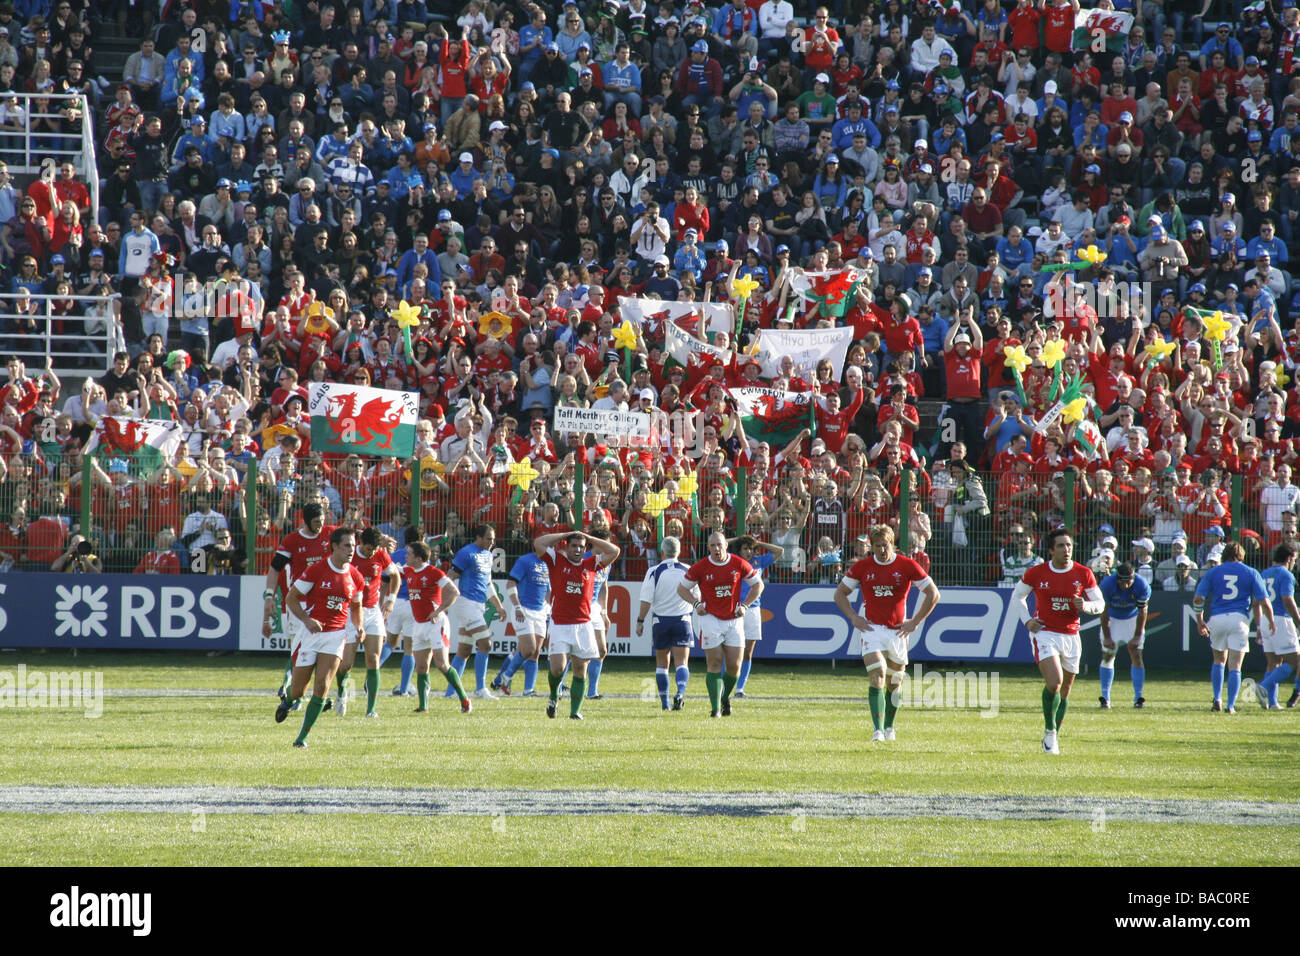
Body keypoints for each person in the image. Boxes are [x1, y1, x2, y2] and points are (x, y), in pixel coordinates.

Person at [833, 524, 940, 742]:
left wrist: (916, 621)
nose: (883, 550)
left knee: (894, 683)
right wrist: (854, 617)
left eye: (886, 545)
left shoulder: (907, 565)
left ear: (893, 544)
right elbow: (840, 594)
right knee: (878, 674)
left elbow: (933, 594)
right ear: (871, 547)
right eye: (878, 546)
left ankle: (890, 727)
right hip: (871, 629)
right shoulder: (862, 567)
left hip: (898, 632)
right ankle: (877, 731)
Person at [1013, 529, 1105, 755]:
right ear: (1051, 550)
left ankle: (1055, 732)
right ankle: (1049, 732)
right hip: (1045, 633)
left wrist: (1086, 606)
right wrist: (1027, 621)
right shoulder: (1037, 573)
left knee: (1065, 691)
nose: (1067, 550)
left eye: (1069, 545)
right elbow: (1017, 597)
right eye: (1061, 546)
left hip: (1072, 636)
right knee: (1054, 682)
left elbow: (1100, 603)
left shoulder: (1083, 573)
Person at [275, 528, 364, 748]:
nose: (351, 550)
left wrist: (359, 625)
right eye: (346, 545)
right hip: (311, 634)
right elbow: (291, 598)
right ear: (334, 546)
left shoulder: (356, 576)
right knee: (298, 691)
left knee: (322, 686)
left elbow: (356, 606)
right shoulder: (317, 570)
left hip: (335, 636)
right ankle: (288, 701)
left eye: (353, 546)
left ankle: (301, 738)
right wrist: (306, 619)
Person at [676, 531, 765, 718]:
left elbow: (758, 585)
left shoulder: (738, 563)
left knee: (734, 666)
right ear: (708, 547)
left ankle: (725, 698)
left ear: (726, 545)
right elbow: (682, 588)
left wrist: (746, 606)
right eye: (713, 545)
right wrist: (696, 604)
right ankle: (715, 709)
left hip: (734, 619)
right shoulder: (700, 567)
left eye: (719, 545)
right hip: (710, 619)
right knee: (714, 662)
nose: (717, 549)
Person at [534, 530, 622, 719]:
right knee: (557, 668)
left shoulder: (591, 564)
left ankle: (575, 712)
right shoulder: (557, 561)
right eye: (574, 545)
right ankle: (553, 696)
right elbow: (539, 543)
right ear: (567, 547)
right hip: (560, 624)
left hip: (583, 625)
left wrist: (589, 538)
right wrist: (564, 534)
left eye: (582, 546)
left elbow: (614, 551)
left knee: (580, 669)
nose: (578, 549)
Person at [263, 501, 336, 706]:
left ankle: (303, 691)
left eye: (322, 521)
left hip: (323, 602)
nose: (320, 525)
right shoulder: (292, 540)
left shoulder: (330, 534)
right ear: (306, 521)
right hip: (299, 603)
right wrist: (269, 596)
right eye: (316, 522)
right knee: (299, 649)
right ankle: (294, 693)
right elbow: (274, 568)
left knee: (319, 649)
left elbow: (353, 537)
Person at [1194, 540, 1274, 714]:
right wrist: (1271, 622)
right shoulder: (1251, 572)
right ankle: (1230, 705)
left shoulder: (1213, 572)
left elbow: (1198, 598)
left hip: (1217, 618)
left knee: (1218, 660)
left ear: (1224, 556)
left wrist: (1200, 620)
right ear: (1241, 556)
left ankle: (1217, 698)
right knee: (1235, 666)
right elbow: (1264, 602)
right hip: (1239, 620)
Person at [404, 541, 471, 714]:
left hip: (436, 624)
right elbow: (390, 571)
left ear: (419, 558)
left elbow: (454, 592)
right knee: (421, 667)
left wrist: (439, 610)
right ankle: (423, 706)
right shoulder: (408, 571)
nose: (406, 556)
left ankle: (464, 699)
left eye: (409, 553)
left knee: (442, 664)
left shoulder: (434, 572)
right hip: (419, 625)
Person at [340, 526, 400, 718]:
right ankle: (342, 696)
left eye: (375, 549)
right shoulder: (350, 556)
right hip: (351, 611)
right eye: (368, 549)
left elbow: (395, 576)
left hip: (373, 610)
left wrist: (390, 600)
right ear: (361, 544)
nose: (372, 552)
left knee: (373, 659)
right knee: (346, 663)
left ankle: (371, 709)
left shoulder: (381, 555)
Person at [444, 524, 508, 699]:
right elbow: (450, 577)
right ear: (478, 538)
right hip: (465, 603)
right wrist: (443, 604)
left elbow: (488, 584)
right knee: (485, 643)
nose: (492, 542)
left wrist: (498, 606)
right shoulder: (466, 553)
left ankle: (450, 693)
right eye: (489, 538)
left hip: (478, 605)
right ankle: (480, 689)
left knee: (464, 651)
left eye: (493, 539)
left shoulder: (488, 555)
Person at [637, 535, 695, 710]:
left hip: (660, 621)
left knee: (662, 664)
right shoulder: (687, 569)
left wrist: (640, 620)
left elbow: (646, 600)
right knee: (682, 662)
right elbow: (696, 596)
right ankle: (681, 692)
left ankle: (665, 703)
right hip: (683, 620)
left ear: (662, 552)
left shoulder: (654, 571)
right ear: (679, 551)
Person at [491, 546, 552, 697]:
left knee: (535, 652)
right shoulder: (524, 561)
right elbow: (510, 584)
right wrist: (517, 606)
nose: (551, 548)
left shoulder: (547, 564)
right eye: (547, 545)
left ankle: (528, 690)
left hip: (540, 612)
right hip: (523, 610)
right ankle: (506, 676)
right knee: (528, 649)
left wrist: (552, 607)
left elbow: (548, 590)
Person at [732, 534, 783, 698]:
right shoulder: (732, 561)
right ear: (739, 549)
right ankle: (727, 684)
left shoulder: (759, 561)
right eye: (745, 548)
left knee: (748, 652)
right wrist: (737, 539)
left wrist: (758, 542)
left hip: (753, 609)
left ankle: (740, 688)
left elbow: (779, 551)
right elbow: (718, 545)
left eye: (750, 549)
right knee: (731, 649)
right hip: (735, 608)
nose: (748, 552)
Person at [1098, 561, 1152, 709]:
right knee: (1108, 654)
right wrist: (1107, 637)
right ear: (1117, 579)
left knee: (1136, 654)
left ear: (1133, 578)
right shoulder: (1107, 585)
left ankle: (1138, 696)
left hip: (1132, 618)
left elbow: (1143, 613)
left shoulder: (1142, 585)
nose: (1125, 586)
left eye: (1128, 582)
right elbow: (1104, 614)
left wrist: (1137, 636)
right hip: (1113, 618)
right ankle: (1105, 697)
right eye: (1122, 583)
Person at [1254, 544, 1300, 710]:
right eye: (1294, 559)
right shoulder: (1286, 574)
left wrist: (1259, 625)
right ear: (1288, 559)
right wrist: (1299, 621)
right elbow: (1287, 599)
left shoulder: (1263, 574)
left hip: (1266, 621)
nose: (1294, 563)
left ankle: (1273, 703)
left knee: (1273, 662)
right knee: (1295, 662)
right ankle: (1263, 686)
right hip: (1280, 620)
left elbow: (1256, 603)